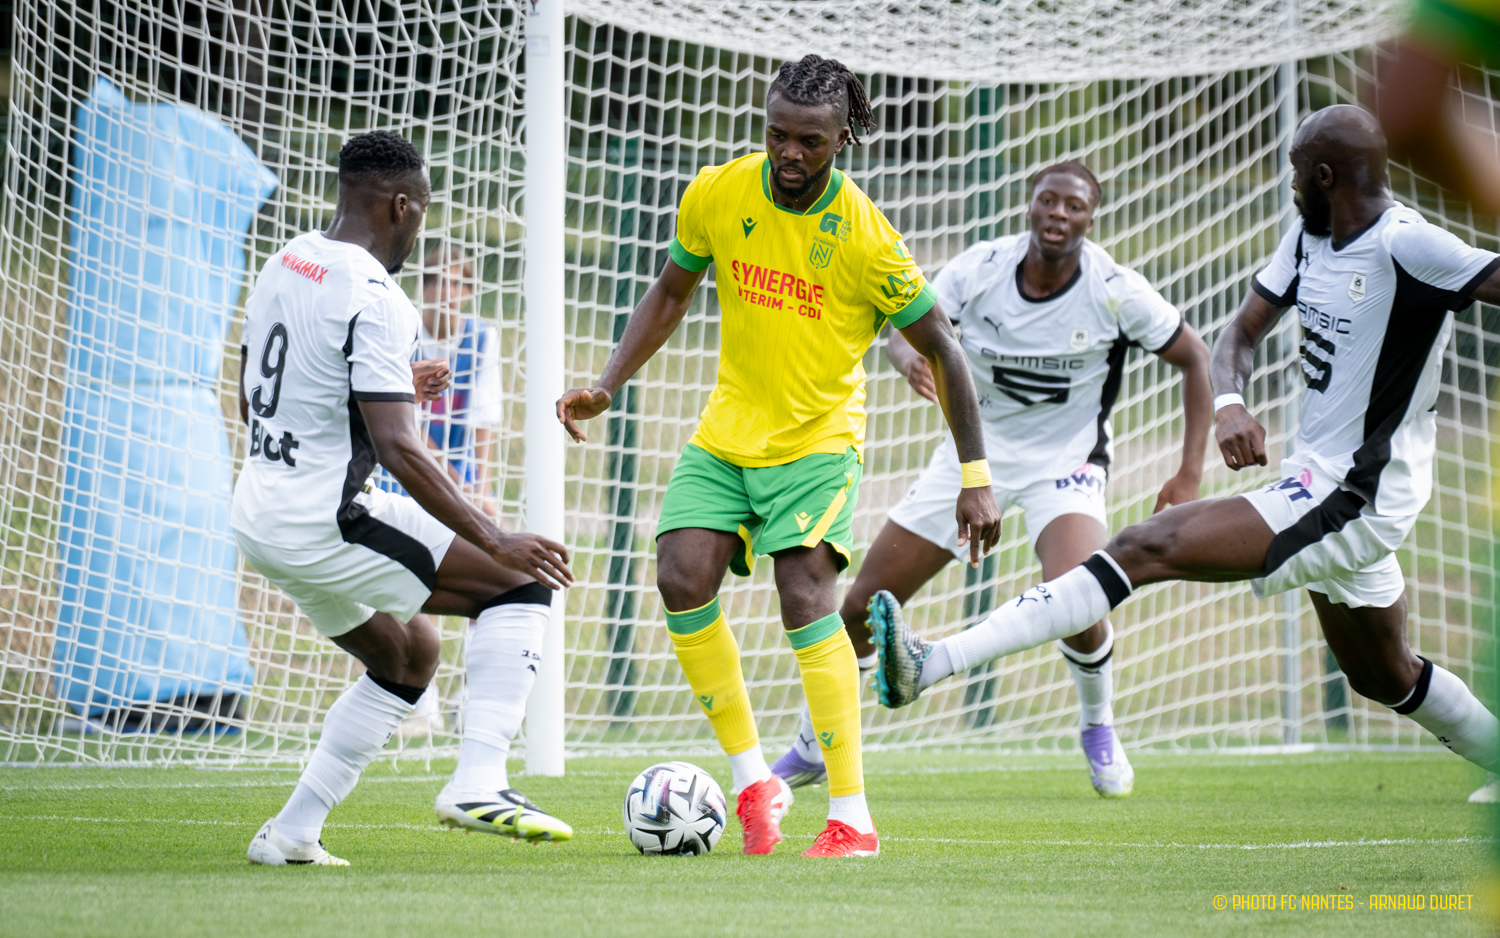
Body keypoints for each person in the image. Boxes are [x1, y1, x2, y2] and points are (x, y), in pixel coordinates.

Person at [875, 105, 1500, 790]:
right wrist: (1230, 406)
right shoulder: (1308, 236)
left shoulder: (1409, 246)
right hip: (1316, 479)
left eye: (1295, 174)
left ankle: (931, 662)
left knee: (1144, 545)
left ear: (1324, 176)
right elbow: (1237, 335)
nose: (1290, 188)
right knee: (1384, 673)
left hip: (1359, 495)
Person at [556, 55, 1002, 858]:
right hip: (728, 433)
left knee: (804, 595)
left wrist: (975, 477)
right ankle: (753, 778)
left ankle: (852, 818)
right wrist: (607, 383)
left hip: (818, 441)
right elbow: (671, 291)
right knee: (678, 575)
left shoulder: (867, 236)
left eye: (809, 142)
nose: (789, 155)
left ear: (842, 140)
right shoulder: (720, 191)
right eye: (776, 135)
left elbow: (945, 350)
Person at [769, 161, 1212, 798]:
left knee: (1078, 595)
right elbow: (905, 324)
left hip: (1066, 464)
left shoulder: (1115, 289)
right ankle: (815, 745)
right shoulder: (982, 267)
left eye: (1075, 207)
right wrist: (905, 358)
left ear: (1091, 219)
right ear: (1030, 207)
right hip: (969, 457)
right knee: (860, 606)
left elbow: (1195, 356)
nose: (1059, 214)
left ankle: (1098, 726)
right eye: (1048, 201)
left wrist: (1189, 471)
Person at [232, 130, 575, 866]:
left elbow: (257, 397)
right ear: (399, 205)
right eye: (420, 212)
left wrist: (377, 392)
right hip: (326, 518)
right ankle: (480, 779)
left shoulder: (284, 260)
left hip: (258, 512)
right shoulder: (378, 296)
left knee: (410, 652)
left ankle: (290, 832)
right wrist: (494, 535)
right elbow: (401, 449)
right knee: (518, 582)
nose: (418, 228)